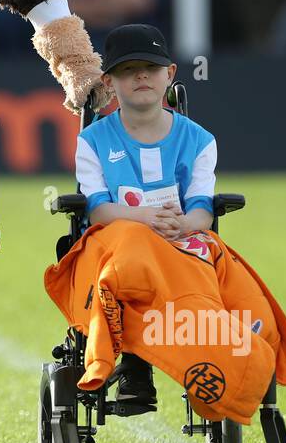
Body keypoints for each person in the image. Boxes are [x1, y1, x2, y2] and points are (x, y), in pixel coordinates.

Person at [73, 24, 218, 409]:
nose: (141, 76)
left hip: (180, 239)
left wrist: (182, 224)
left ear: (169, 74)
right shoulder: (92, 141)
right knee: (133, 249)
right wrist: (148, 219)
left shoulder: (200, 140)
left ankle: (214, 355)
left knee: (208, 259)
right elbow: (100, 211)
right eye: (127, 69)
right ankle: (134, 364)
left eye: (150, 68)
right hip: (115, 245)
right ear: (109, 81)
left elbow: (202, 210)